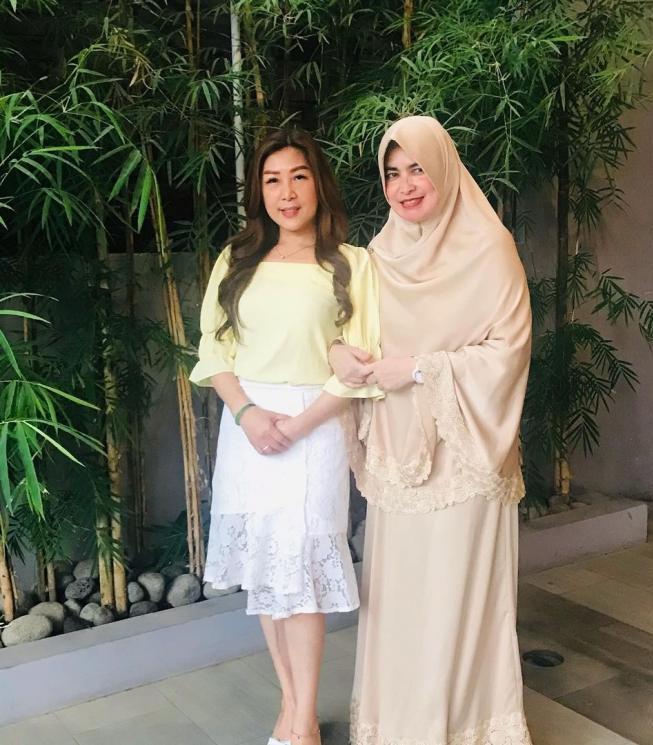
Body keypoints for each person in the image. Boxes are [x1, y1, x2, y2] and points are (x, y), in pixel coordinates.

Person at [329, 116, 533, 745]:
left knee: (456, 600)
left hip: (466, 457)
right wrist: (340, 352)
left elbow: (509, 350)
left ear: (444, 167)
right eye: (392, 173)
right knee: (402, 601)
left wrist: (418, 368)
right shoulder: (380, 255)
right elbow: (350, 330)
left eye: (417, 168)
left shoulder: (489, 247)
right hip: (400, 457)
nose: (405, 186)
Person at [189, 128, 381, 745]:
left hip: (314, 426)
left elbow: (364, 360)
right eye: (272, 180)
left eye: (298, 176)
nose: (286, 192)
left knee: (300, 578)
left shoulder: (352, 264)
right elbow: (213, 349)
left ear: (319, 185)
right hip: (247, 426)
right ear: (259, 192)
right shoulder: (236, 260)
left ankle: (301, 721)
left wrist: (297, 424)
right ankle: (293, 707)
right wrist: (247, 414)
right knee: (267, 574)